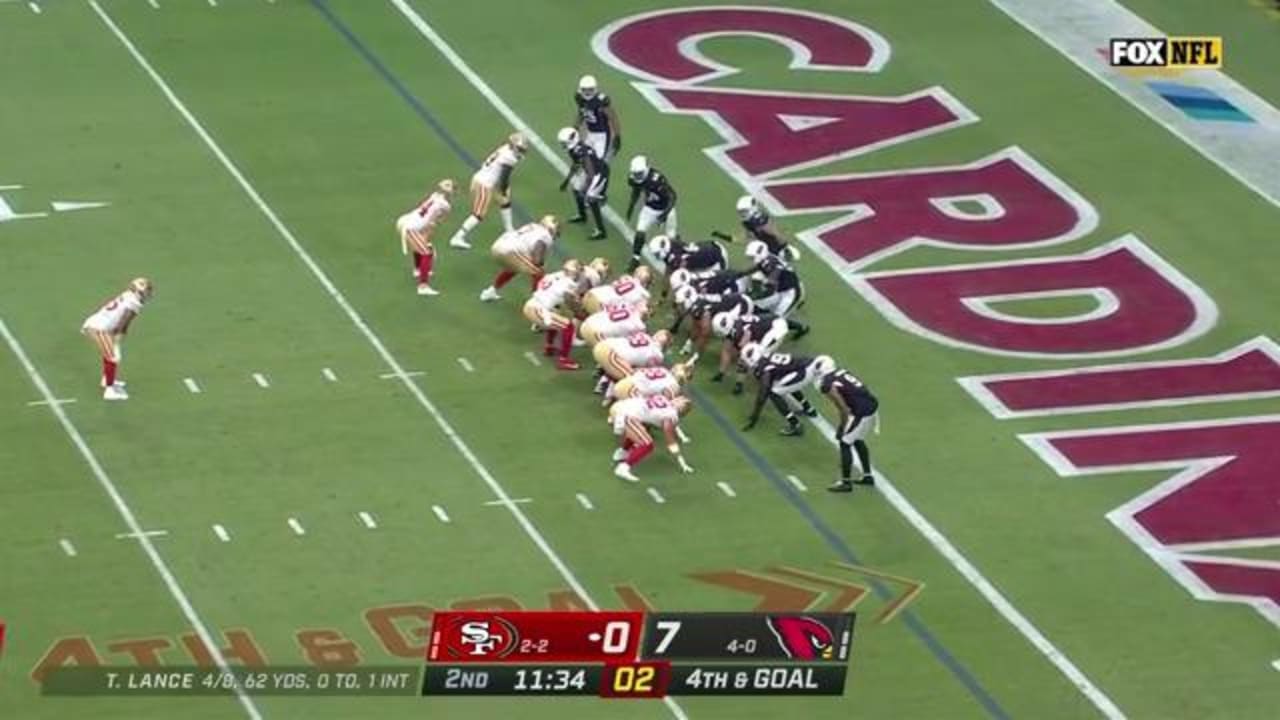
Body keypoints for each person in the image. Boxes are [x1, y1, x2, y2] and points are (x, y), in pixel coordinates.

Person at [449, 133, 529, 250]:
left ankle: (509, 230)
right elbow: (504, 178)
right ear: (514, 147)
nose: (522, 151)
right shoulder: (510, 158)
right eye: (520, 149)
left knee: (504, 201)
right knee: (479, 214)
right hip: (484, 184)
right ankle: (457, 237)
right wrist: (503, 189)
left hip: (485, 178)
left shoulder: (505, 148)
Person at [81, 278, 153, 401]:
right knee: (113, 356)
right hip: (98, 329)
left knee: (111, 354)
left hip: (99, 325)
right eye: (145, 291)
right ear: (137, 292)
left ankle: (107, 379)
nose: (147, 294)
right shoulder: (134, 303)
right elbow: (123, 322)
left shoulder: (127, 295)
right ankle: (109, 391)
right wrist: (118, 337)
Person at [740, 346, 830, 437]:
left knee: (774, 393)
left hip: (805, 372)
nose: (743, 364)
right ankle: (809, 409)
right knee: (785, 383)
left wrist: (754, 418)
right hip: (807, 364)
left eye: (744, 360)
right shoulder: (766, 356)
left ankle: (795, 424)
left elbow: (763, 395)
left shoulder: (763, 367)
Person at [817, 366, 880, 492]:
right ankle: (867, 476)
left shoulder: (827, 384)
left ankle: (846, 482)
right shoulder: (841, 371)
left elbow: (843, 409)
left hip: (862, 411)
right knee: (857, 439)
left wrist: (841, 428)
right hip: (870, 404)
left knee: (845, 442)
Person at [608, 394, 693, 482]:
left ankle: (621, 453)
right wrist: (682, 461)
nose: (679, 399)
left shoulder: (662, 398)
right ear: (681, 409)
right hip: (627, 415)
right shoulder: (671, 414)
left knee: (643, 429)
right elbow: (670, 440)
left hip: (620, 406)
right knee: (647, 444)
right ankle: (623, 468)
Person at [394, 179, 454, 295]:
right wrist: (427, 242)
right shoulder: (445, 206)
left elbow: (430, 223)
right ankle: (423, 287)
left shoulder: (435, 195)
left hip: (404, 221)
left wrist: (425, 241)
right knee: (426, 253)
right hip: (410, 228)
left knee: (422, 248)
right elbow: (433, 223)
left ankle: (418, 270)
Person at [480, 215, 559, 302]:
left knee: (514, 268)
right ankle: (537, 302)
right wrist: (540, 263)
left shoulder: (532, 225)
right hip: (510, 251)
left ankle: (490, 292)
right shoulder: (545, 235)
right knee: (538, 272)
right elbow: (537, 256)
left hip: (498, 245)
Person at [624, 155, 677, 271]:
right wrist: (631, 206)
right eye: (636, 173)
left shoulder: (657, 180)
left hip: (665, 208)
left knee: (672, 240)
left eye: (639, 173)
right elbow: (636, 191)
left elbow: (673, 196)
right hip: (650, 208)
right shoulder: (634, 178)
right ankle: (635, 258)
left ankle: (677, 260)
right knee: (640, 232)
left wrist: (664, 215)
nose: (637, 176)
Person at [556, 127, 609, 240]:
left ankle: (601, 231)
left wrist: (584, 189)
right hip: (591, 171)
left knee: (590, 198)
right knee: (576, 189)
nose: (563, 145)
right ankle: (582, 215)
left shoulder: (581, 151)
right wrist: (567, 181)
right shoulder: (574, 149)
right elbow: (576, 165)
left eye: (564, 143)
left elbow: (591, 174)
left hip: (599, 173)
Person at [573, 74, 621, 162]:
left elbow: (613, 117)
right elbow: (581, 112)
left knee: (598, 161)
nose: (587, 93)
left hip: (602, 135)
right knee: (586, 157)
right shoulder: (580, 98)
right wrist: (576, 127)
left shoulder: (601, 101)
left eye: (590, 90)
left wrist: (617, 136)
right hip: (590, 133)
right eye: (585, 90)